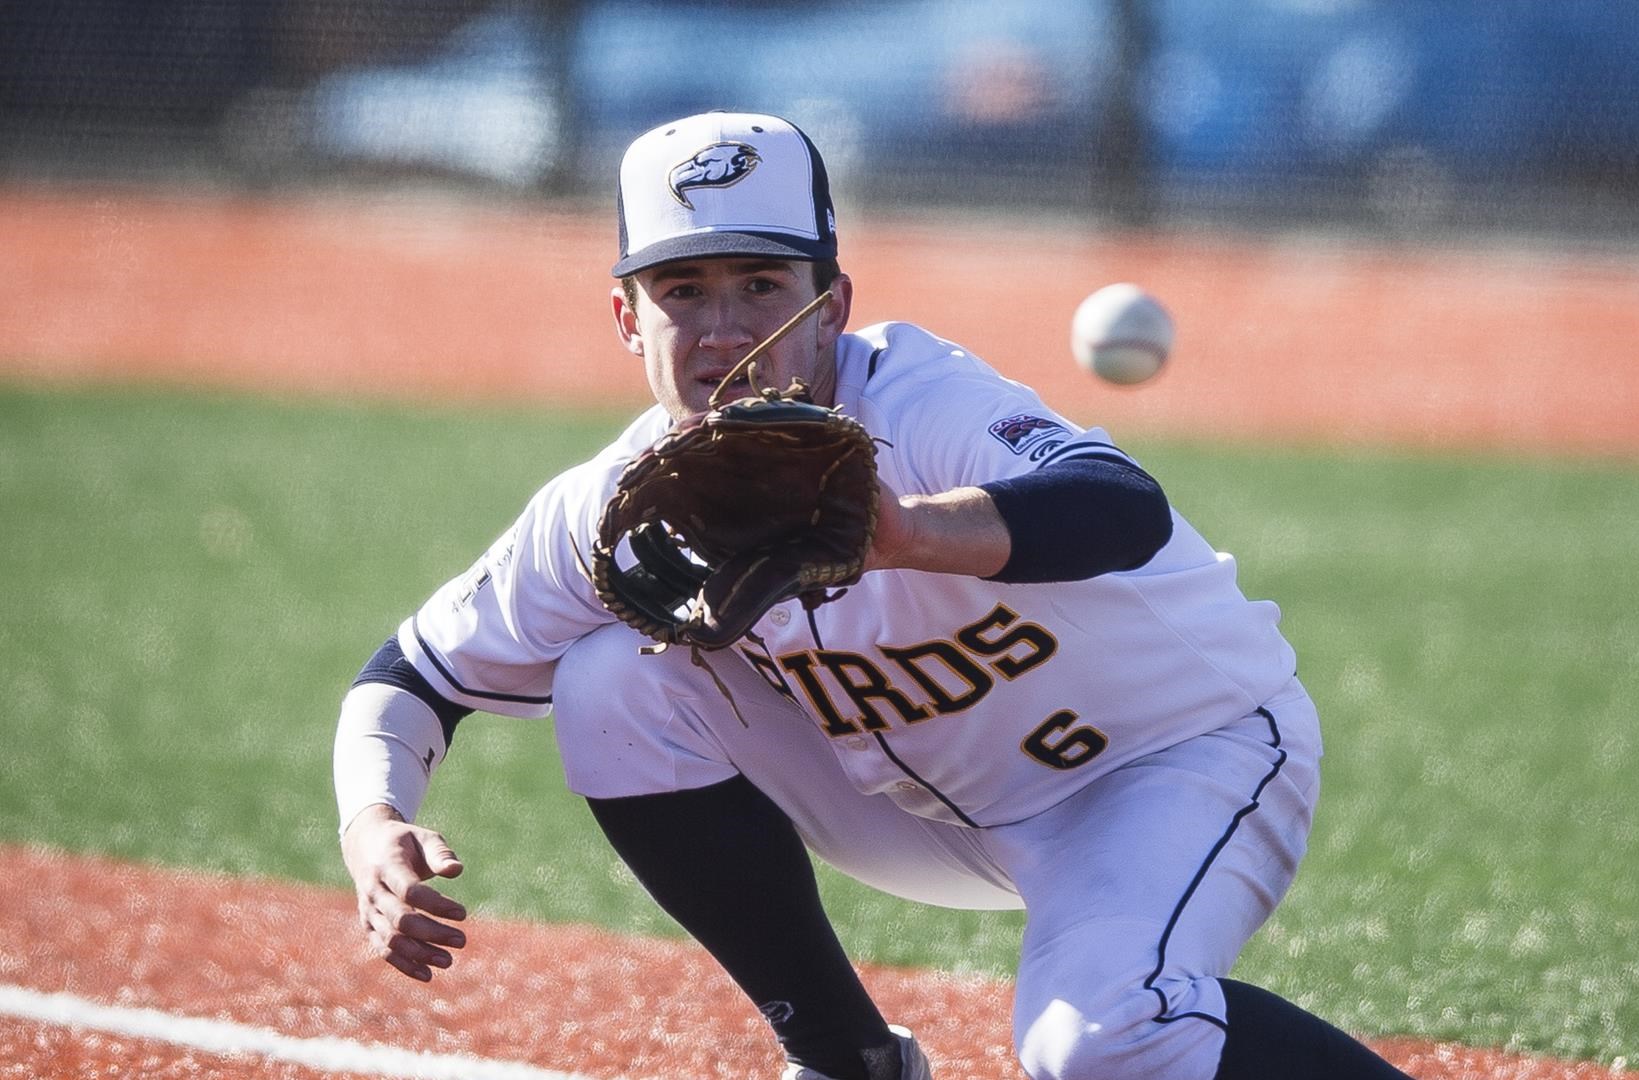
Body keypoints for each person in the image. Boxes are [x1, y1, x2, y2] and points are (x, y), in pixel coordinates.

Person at [333, 110, 1412, 1080]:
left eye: (761, 284)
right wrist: (374, 822)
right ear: (625, 317)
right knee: (613, 679)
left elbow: (1118, 504)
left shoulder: (920, 398)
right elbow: (409, 678)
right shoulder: (616, 504)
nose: (721, 332)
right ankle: (848, 1062)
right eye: (682, 290)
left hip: (1168, 762)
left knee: (1102, 1042)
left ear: (830, 304)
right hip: (924, 805)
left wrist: (905, 533)